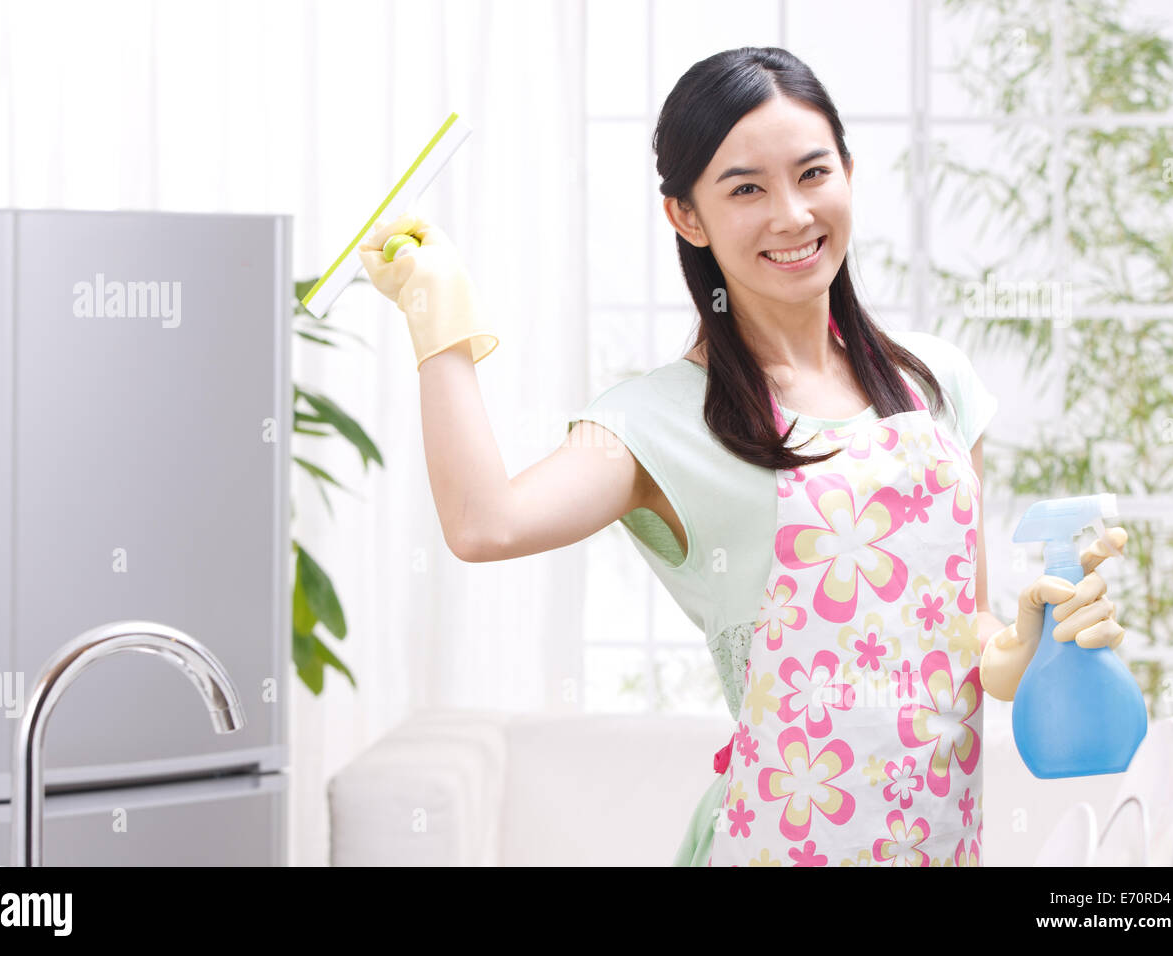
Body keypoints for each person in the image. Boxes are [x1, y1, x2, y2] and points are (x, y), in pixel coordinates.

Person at [356, 45, 1128, 867]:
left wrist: (1033, 641)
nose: (792, 215)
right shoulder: (657, 422)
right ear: (687, 216)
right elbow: (485, 524)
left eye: (813, 173)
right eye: (746, 189)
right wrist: (439, 320)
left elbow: (962, 640)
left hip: (940, 846)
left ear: (849, 175)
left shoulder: (937, 386)